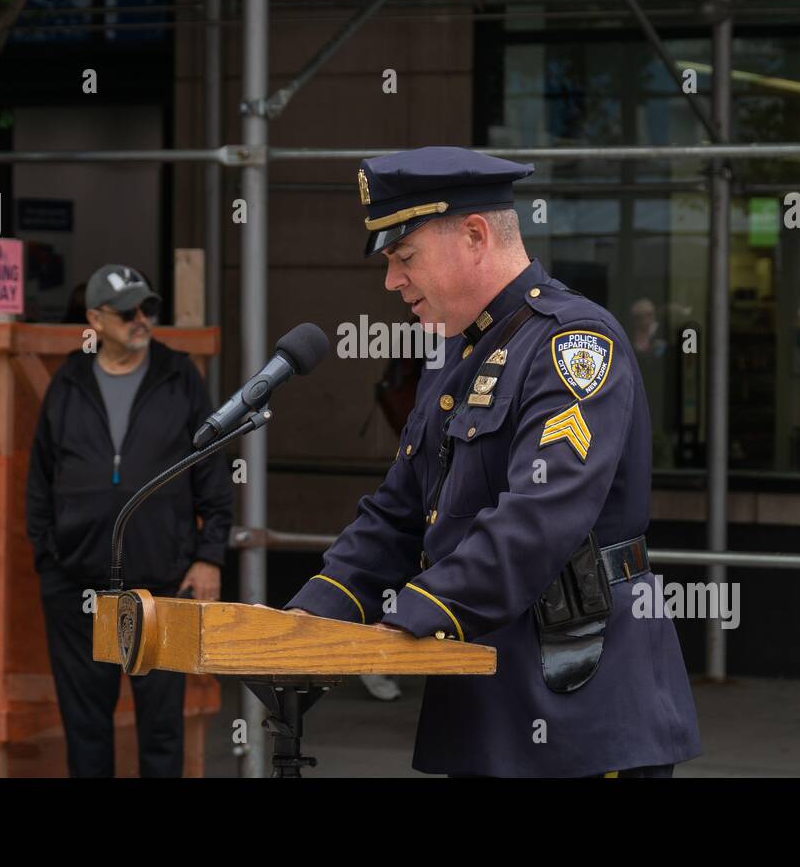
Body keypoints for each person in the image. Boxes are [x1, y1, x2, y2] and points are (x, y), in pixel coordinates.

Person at [283, 147, 701, 777]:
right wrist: (309, 619)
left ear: (475, 236)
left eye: (404, 257)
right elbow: (399, 513)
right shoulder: (453, 354)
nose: (391, 281)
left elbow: (541, 516)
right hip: (484, 696)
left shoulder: (573, 343)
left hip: (579, 696)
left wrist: (407, 618)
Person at [26, 263, 233, 777]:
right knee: (86, 726)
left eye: (148, 308)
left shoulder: (179, 374)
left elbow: (212, 476)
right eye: (126, 312)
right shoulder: (69, 381)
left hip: (161, 583)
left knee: (163, 729)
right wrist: (50, 561)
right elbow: (39, 480)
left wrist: (209, 558)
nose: (141, 320)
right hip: (77, 586)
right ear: (95, 319)